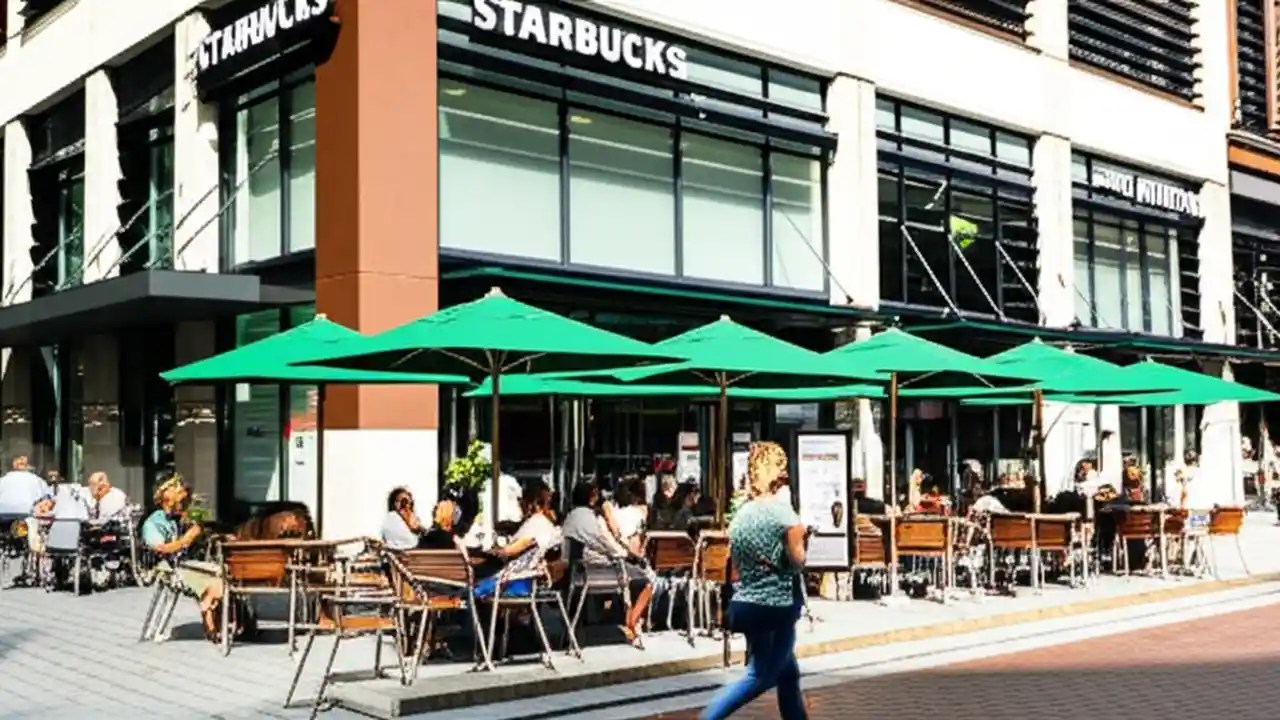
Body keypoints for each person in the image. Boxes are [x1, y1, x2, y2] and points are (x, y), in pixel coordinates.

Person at [701, 441, 808, 720]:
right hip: (780, 604)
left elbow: (736, 565)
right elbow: (798, 560)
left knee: (787, 672)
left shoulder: (740, 517)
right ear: (778, 475)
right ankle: (709, 717)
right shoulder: (785, 514)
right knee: (761, 674)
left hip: (747, 604)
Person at [562, 480, 654, 643]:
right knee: (645, 580)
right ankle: (631, 622)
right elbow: (602, 542)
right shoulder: (588, 518)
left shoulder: (572, 516)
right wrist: (625, 554)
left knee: (633, 574)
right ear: (591, 497)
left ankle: (627, 622)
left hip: (581, 569)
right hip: (597, 570)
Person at [140, 473, 222, 640]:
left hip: (184, 564)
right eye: (179, 498)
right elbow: (161, 549)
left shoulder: (179, 519)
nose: (183, 503)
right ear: (166, 496)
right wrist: (186, 539)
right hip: (165, 568)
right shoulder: (153, 522)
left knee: (224, 573)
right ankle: (211, 620)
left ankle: (218, 617)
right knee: (216, 580)